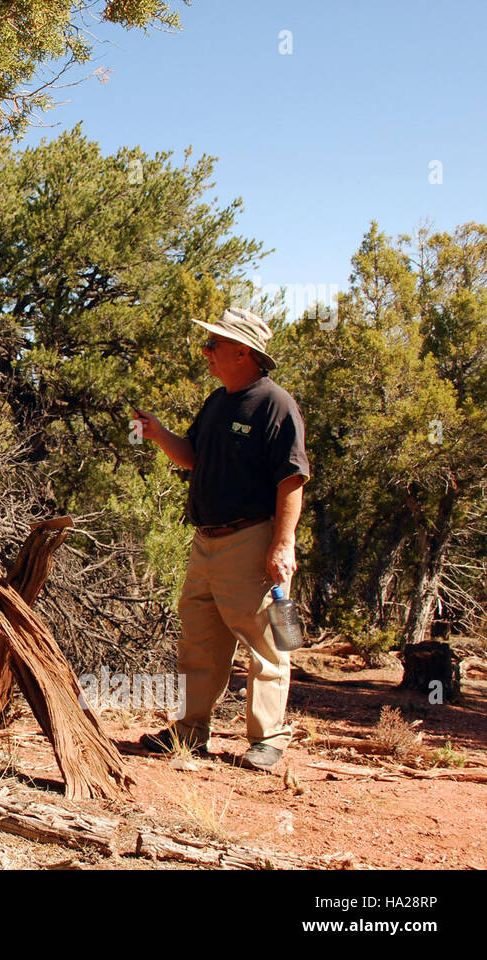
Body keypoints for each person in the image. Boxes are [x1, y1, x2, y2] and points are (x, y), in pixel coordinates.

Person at [133, 307, 309, 771]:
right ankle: (190, 731)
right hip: (206, 542)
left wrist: (282, 543)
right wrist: (157, 433)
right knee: (199, 640)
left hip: (252, 540)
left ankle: (268, 738)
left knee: (267, 640)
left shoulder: (275, 404)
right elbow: (193, 457)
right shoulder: (217, 401)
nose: (206, 351)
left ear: (243, 352)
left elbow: (292, 480)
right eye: (208, 342)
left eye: (214, 344)